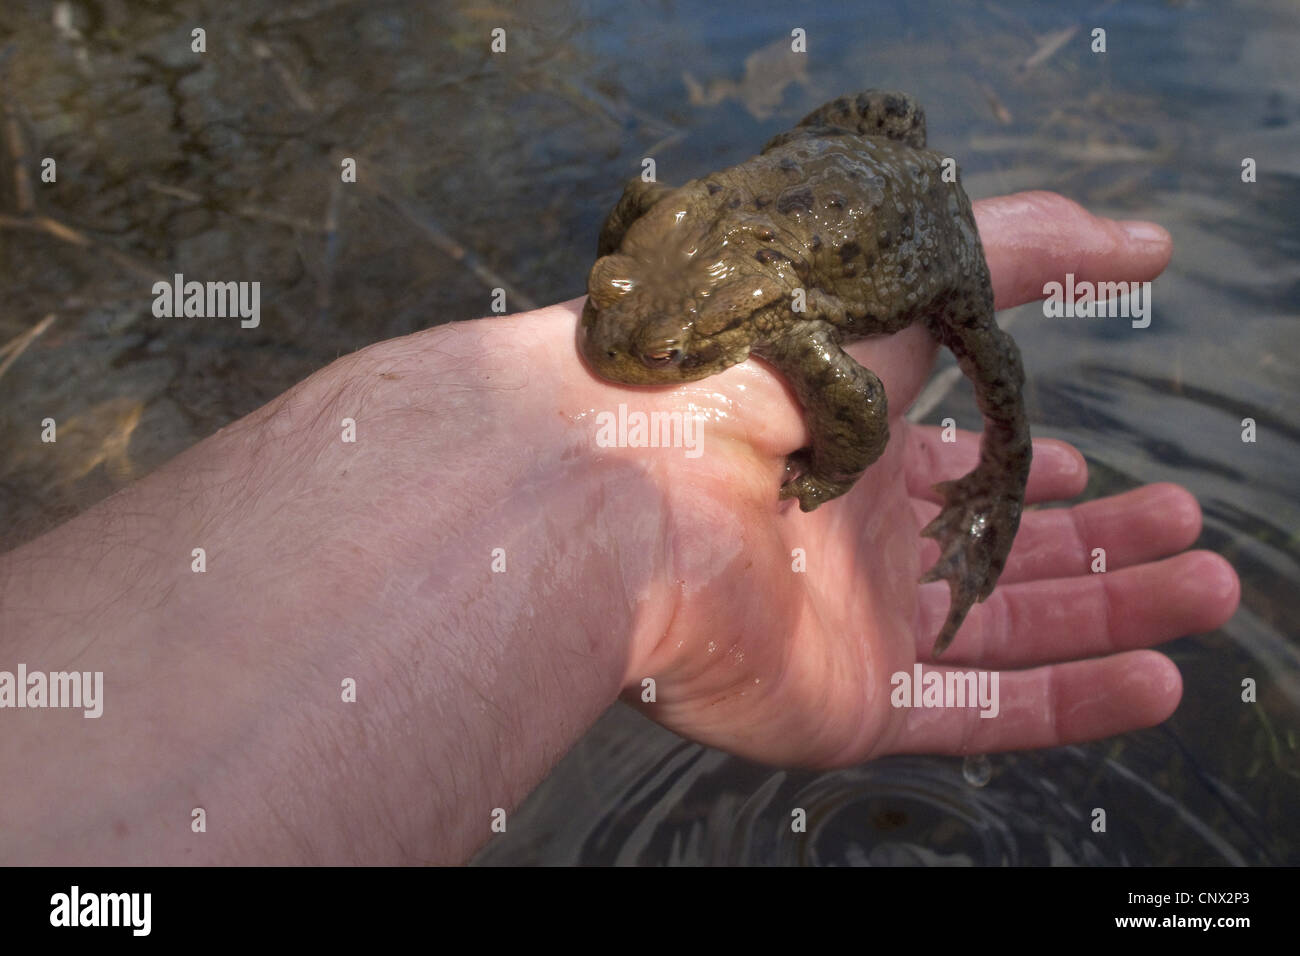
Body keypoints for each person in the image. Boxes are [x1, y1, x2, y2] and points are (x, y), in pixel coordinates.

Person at [0, 192, 1239, 865]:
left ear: (733, 325)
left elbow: (855, 406)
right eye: (611, 310)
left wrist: (815, 480)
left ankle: (993, 490)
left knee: (997, 374)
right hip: (778, 211)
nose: (616, 353)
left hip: (886, 235)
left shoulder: (786, 314)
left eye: (662, 349)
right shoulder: (683, 244)